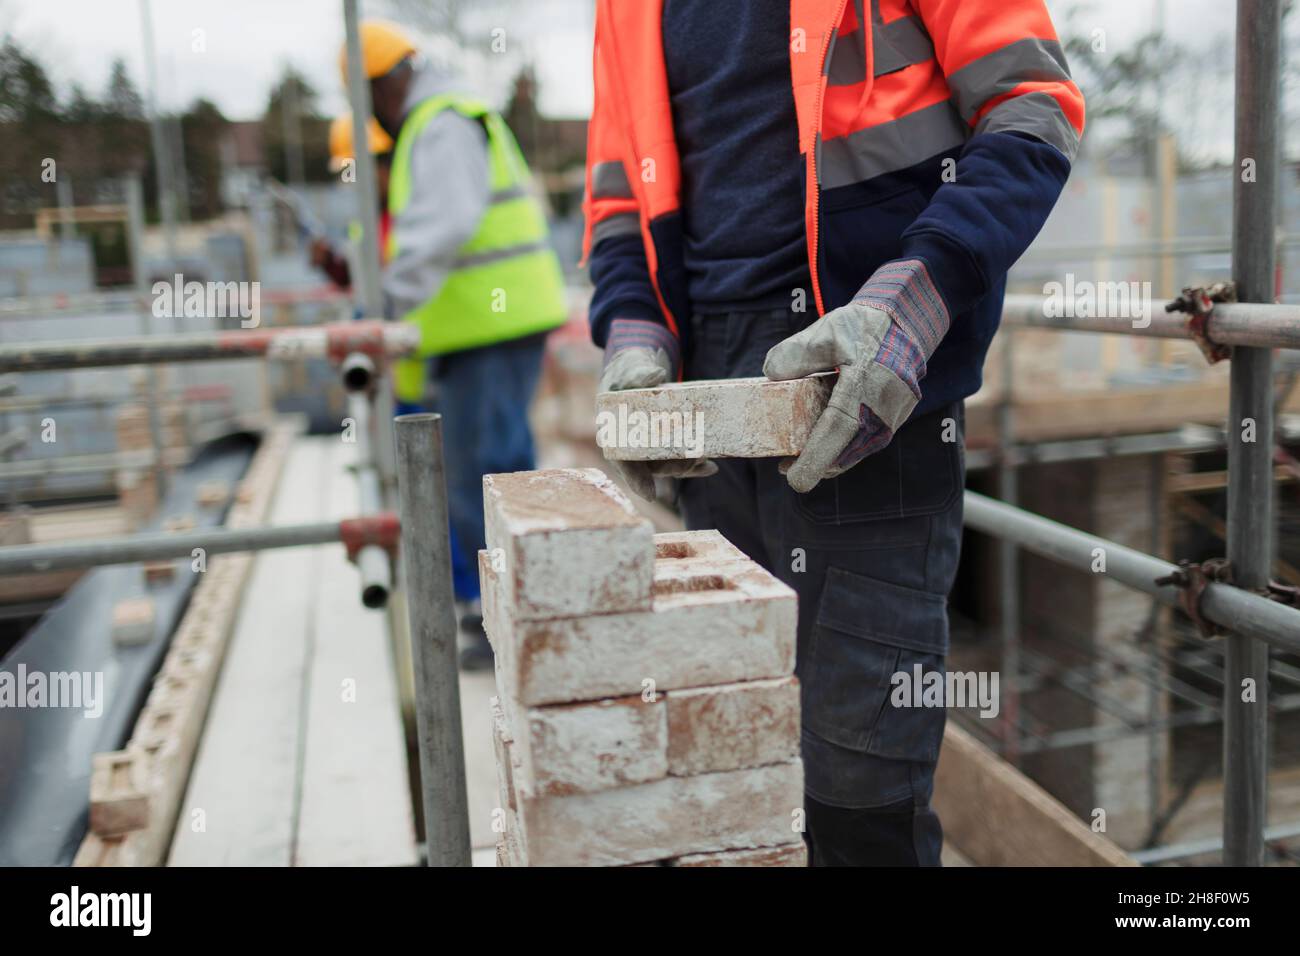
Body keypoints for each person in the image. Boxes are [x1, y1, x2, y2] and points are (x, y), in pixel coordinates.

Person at [585, 0, 1084, 865]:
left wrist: (916, 297)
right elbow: (617, 196)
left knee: (862, 792)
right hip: (710, 402)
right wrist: (635, 331)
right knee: (738, 755)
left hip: (868, 384)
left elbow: (1033, 107)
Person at [341, 21, 568, 668]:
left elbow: (444, 226)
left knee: (489, 477)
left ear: (381, 88)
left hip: (492, 330)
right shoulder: (441, 118)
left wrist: (381, 307)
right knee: (484, 475)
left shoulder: (439, 123)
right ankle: (515, 622)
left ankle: (524, 628)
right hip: (483, 331)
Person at [310, 113, 393, 290]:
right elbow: (357, 273)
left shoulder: (410, 214)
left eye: (354, 171)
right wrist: (329, 262)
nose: (354, 182)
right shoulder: (370, 219)